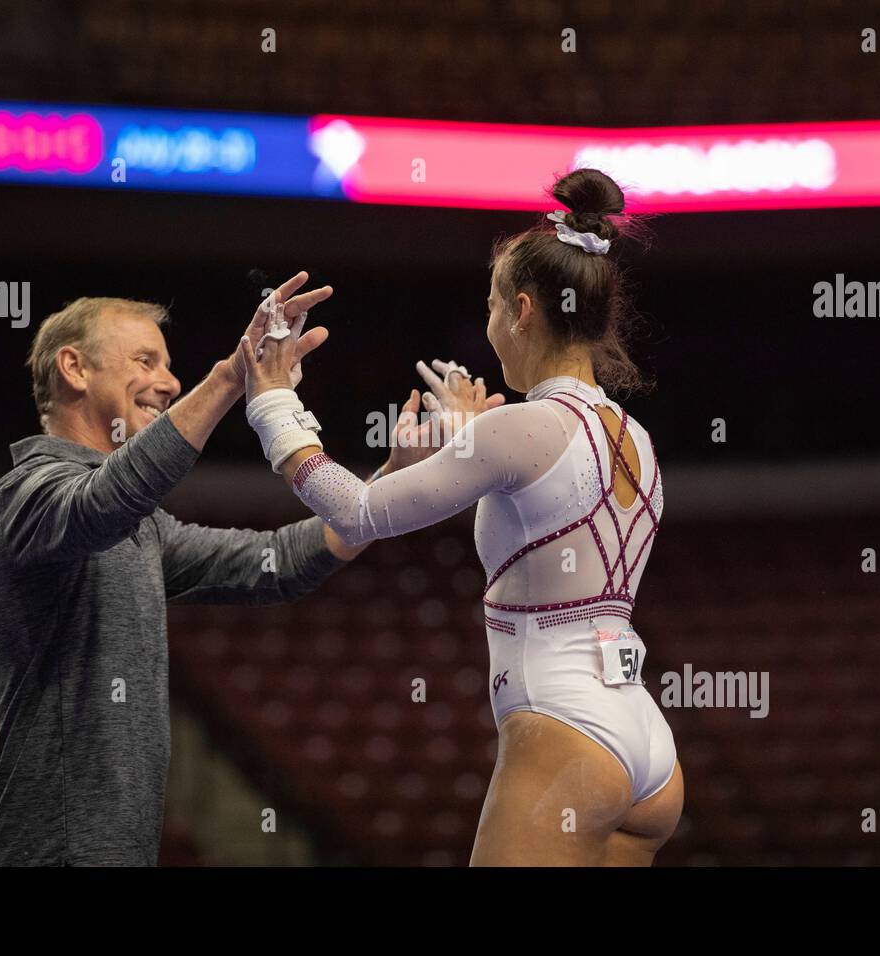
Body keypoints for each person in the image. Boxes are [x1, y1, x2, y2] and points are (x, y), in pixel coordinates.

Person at [237, 170, 683, 866]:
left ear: (524, 311)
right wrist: (473, 446)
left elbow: (355, 514)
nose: (489, 325)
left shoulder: (524, 428)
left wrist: (271, 404)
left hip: (567, 732)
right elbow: (546, 520)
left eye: (491, 306)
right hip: (645, 748)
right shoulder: (636, 439)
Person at [0, 273, 370, 865]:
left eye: (168, 364)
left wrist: (387, 489)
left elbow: (279, 564)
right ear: (74, 368)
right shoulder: (23, 497)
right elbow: (108, 499)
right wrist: (232, 376)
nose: (169, 381)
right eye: (145, 360)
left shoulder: (143, 527)